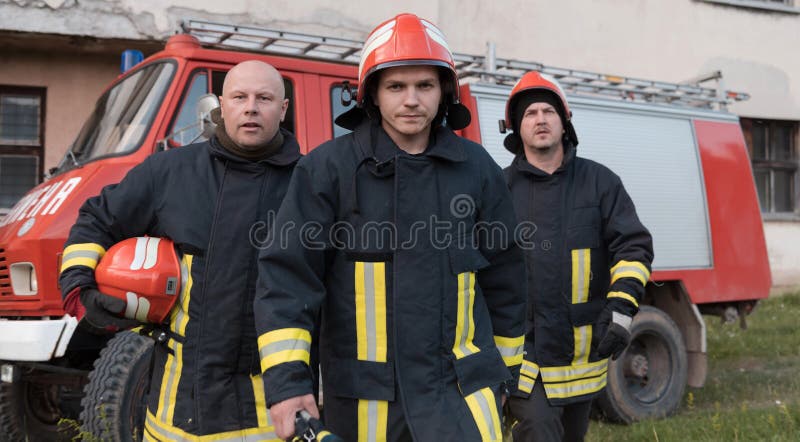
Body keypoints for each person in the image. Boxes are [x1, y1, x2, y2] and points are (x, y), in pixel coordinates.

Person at [254, 13, 527, 442]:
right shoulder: (328, 169)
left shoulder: (477, 169)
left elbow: (506, 280)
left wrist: (504, 375)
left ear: (444, 92)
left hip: (463, 398)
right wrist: (288, 386)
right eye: (396, 86)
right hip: (366, 404)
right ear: (373, 95)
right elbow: (287, 280)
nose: (412, 100)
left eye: (425, 85)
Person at [59, 60, 300, 440]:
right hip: (172, 415)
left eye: (264, 98)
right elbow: (97, 219)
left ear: (283, 109)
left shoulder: (310, 184)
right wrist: (79, 286)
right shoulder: (169, 172)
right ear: (222, 104)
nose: (251, 108)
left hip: (269, 417)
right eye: (239, 97)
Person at [501, 71, 654, 442]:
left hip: (581, 358)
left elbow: (633, 247)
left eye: (548, 111)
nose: (540, 119)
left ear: (564, 121)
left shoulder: (601, 183)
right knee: (538, 430)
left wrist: (621, 309)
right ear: (517, 128)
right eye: (530, 113)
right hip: (524, 358)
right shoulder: (498, 188)